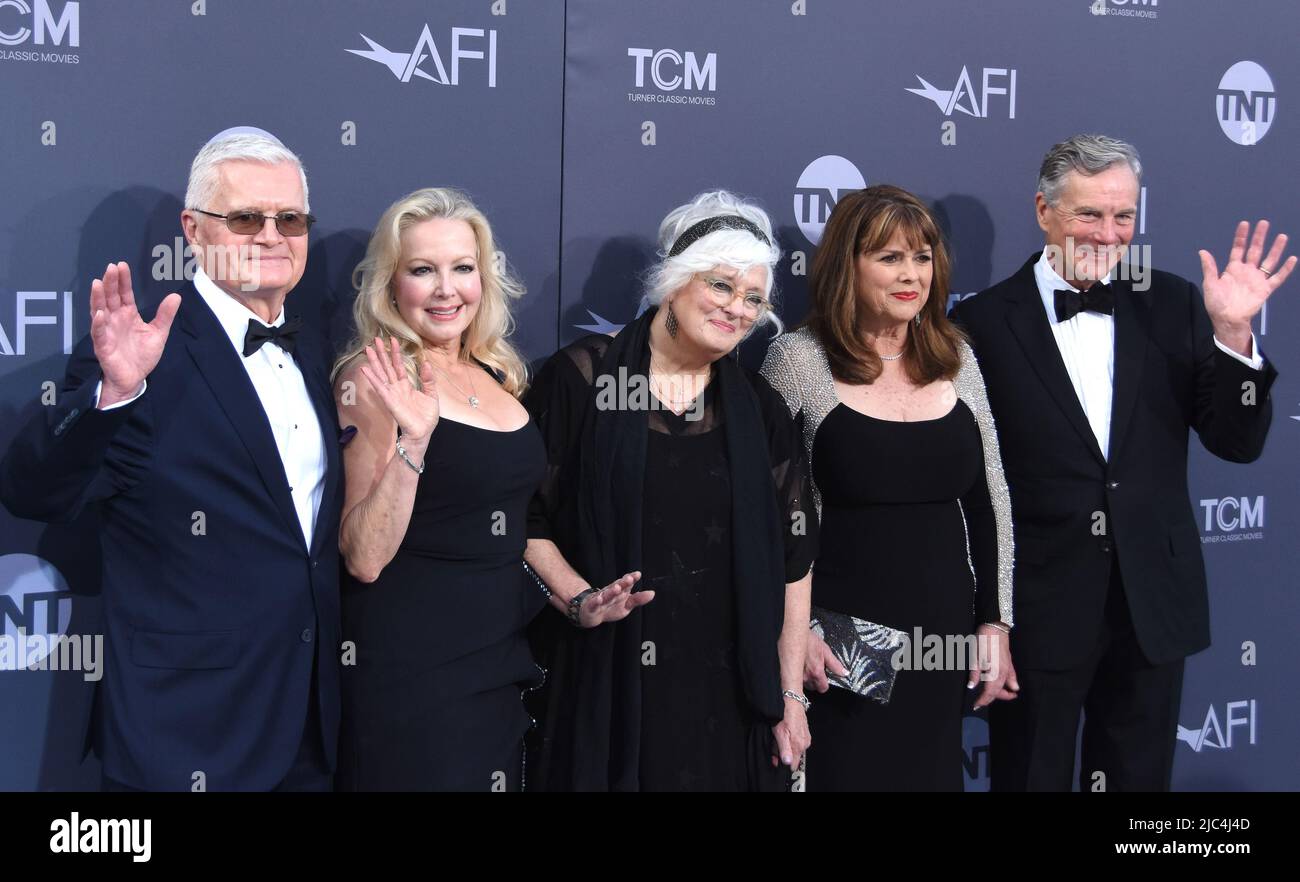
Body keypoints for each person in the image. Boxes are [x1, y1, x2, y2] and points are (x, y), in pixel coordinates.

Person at [0, 129, 343, 791]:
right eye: (246, 217)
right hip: (185, 733)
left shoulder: (314, 349)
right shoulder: (141, 354)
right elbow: (31, 490)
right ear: (193, 228)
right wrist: (116, 392)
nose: (272, 235)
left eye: (291, 219)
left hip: (308, 726)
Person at [951, 134, 1293, 792]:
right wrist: (987, 613)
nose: (1109, 235)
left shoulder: (1176, 304)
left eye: (1124, 216)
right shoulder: (984, 325)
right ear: (1044, 210)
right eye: (1089, 214)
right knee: (1029, 778)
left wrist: (1235, 340)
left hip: (1151, 609)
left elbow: (1237, 441)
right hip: (1037, 611)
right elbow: (969, 487)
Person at [523, 190, 816, 791]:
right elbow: (524, 517)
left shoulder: (760, 411)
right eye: (721, 286)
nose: (738, 309)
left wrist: (789, 694)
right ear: (674, 283)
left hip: (729, 690)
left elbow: (794, 562)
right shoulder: (584, 379)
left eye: (754, 298)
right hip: (606, 670)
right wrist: (581, 599)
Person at [761, 184, 1016, 791]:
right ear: (847, 265)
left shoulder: (956, 355)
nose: (912, 275)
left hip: (942, 639)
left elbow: (990, 499)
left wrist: (995, 624)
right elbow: (766, 515)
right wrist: (794, 635)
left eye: (923, 258)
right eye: (890, 258)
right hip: (839, 643)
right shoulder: (798, 360)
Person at [331, 187, 546, 791]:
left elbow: (511, 523)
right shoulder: (376, 378)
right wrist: (414, 444)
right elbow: (364, 556)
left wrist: (577, 601)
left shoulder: (498, 375)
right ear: (391, 285)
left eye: (463, 268)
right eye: (423, 270)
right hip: (415, 672)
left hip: (498, 662)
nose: (446, 289)